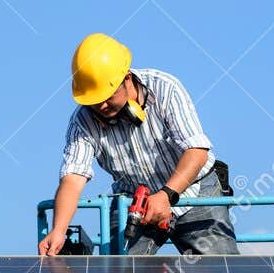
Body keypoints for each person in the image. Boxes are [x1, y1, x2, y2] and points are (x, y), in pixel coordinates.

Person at [38, 33, 239, 257]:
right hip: (134, 203)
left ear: (127, 78)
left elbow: (197, 152)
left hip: (196, 192)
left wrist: (165, 195)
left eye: (108, 96)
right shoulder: (82, 122)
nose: (101, 106)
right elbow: (73, 179)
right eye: (94, 100)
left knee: (220, 270)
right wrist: (59, 230)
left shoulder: (166, 89)